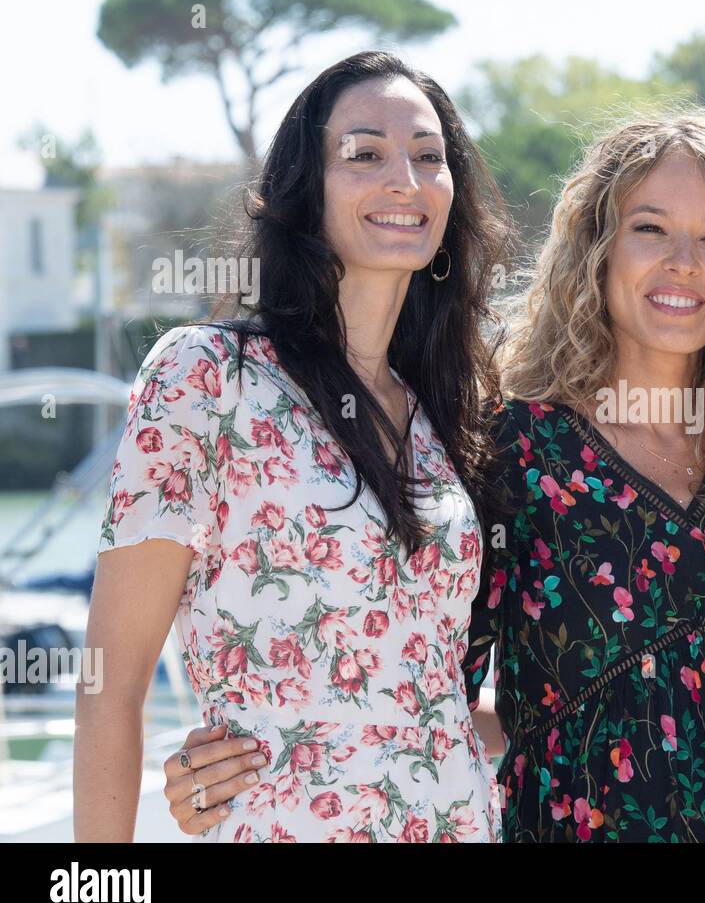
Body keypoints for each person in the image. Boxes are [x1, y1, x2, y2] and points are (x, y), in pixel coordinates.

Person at [74, 50, 513, 842]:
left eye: (428, 156)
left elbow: (422, 687)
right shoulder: (208, 378)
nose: (405, 181)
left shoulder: (451, 415)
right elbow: (110, 689)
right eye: (365, 154)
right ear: (305, 190)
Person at [460, 112, 705, 841]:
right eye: (650, 228)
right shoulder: (514, 450)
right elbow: (429, 687)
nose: (684, 261)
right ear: (596, 249)